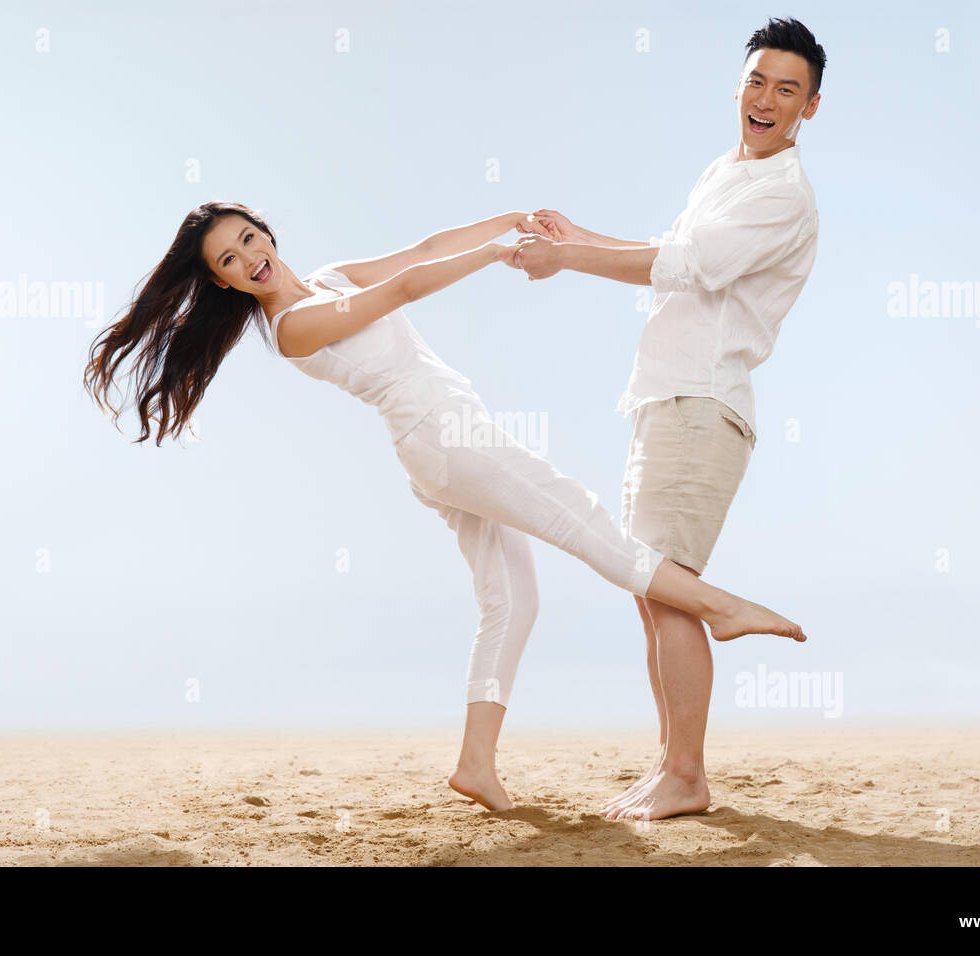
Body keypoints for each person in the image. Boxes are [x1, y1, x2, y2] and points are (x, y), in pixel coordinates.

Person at [83, 201, 805, 813]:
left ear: (265, 232)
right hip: (449, 444)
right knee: (582, 522)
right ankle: (719, 607)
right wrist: (495, 253)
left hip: (439, 449)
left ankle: (475, 764)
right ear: (221, 282)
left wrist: (508, 219)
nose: (249, 258)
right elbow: (401, 290)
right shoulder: (292, 328)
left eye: (248, 239)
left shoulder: (325, 279)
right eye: (230, 261)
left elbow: (423, 250)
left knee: (512, 599)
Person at [511, 16, 826, 821]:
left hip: (701, 404)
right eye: (757, 80)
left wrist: (567, 258)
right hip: (666, 400)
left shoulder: (781, 196)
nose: (766, 98)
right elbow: (670, 246)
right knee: (655, 591)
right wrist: (581, 234)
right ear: (738, 86)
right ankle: (673, 766)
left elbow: (685, 266)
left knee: (671, 590)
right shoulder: (727, 171)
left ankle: (686, 774)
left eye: (787, 88)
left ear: (810, 108)